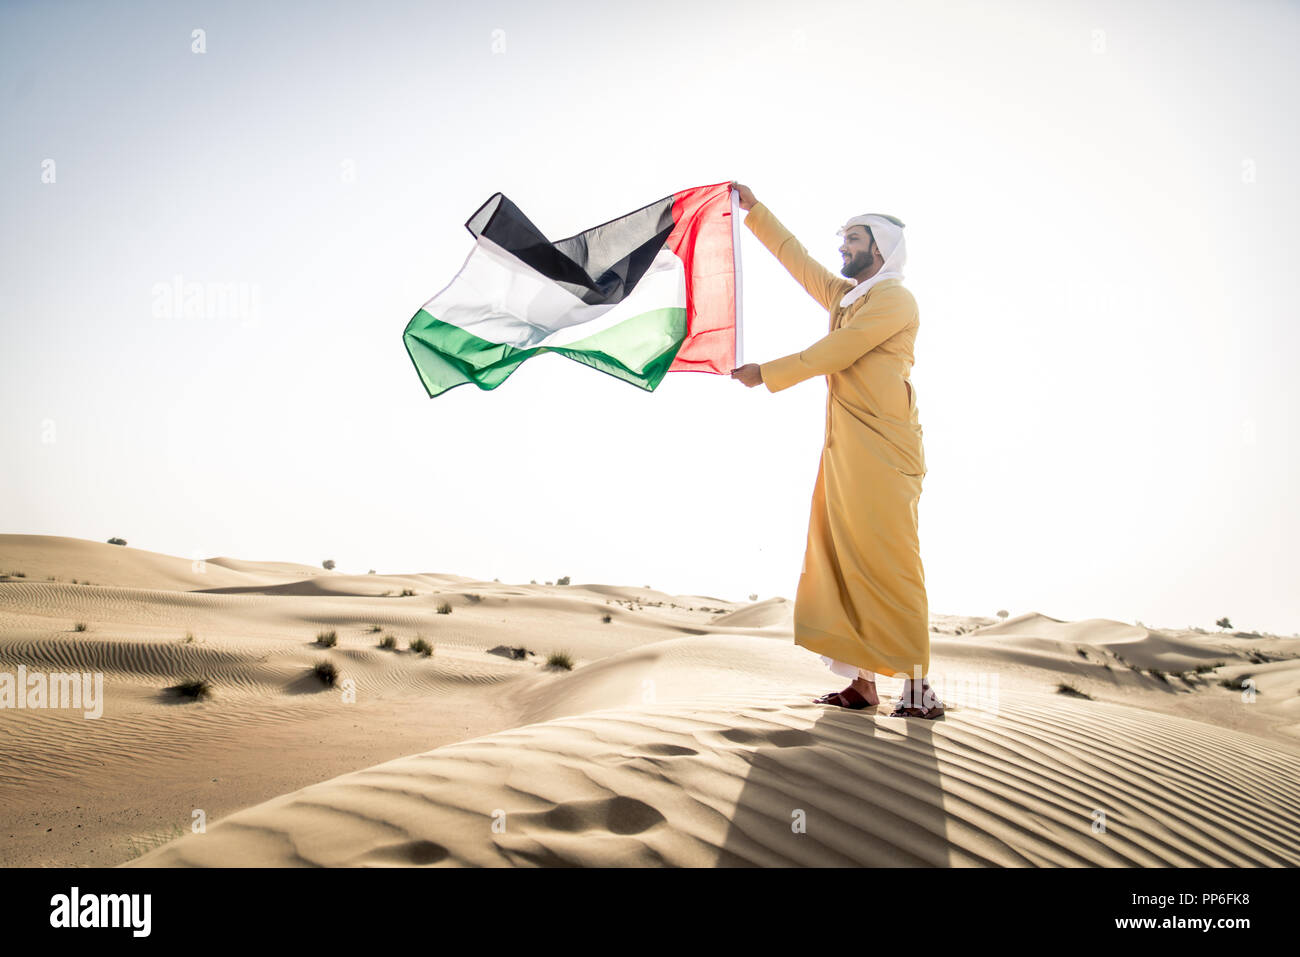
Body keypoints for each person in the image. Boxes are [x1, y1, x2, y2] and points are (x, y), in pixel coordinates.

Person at [728, 181, 942, 719]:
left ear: (882, 248)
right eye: (841, 238)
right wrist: (756, 211)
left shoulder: (894, 299)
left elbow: (839, 350)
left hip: (885, 452)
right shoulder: (849, 297)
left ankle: (918, 688)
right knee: (843, 560)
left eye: (853, 238)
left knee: (891, 564)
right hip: (844, 449)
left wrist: (768, 374)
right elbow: (797, 261)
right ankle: (862, 684)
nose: (842, 247)